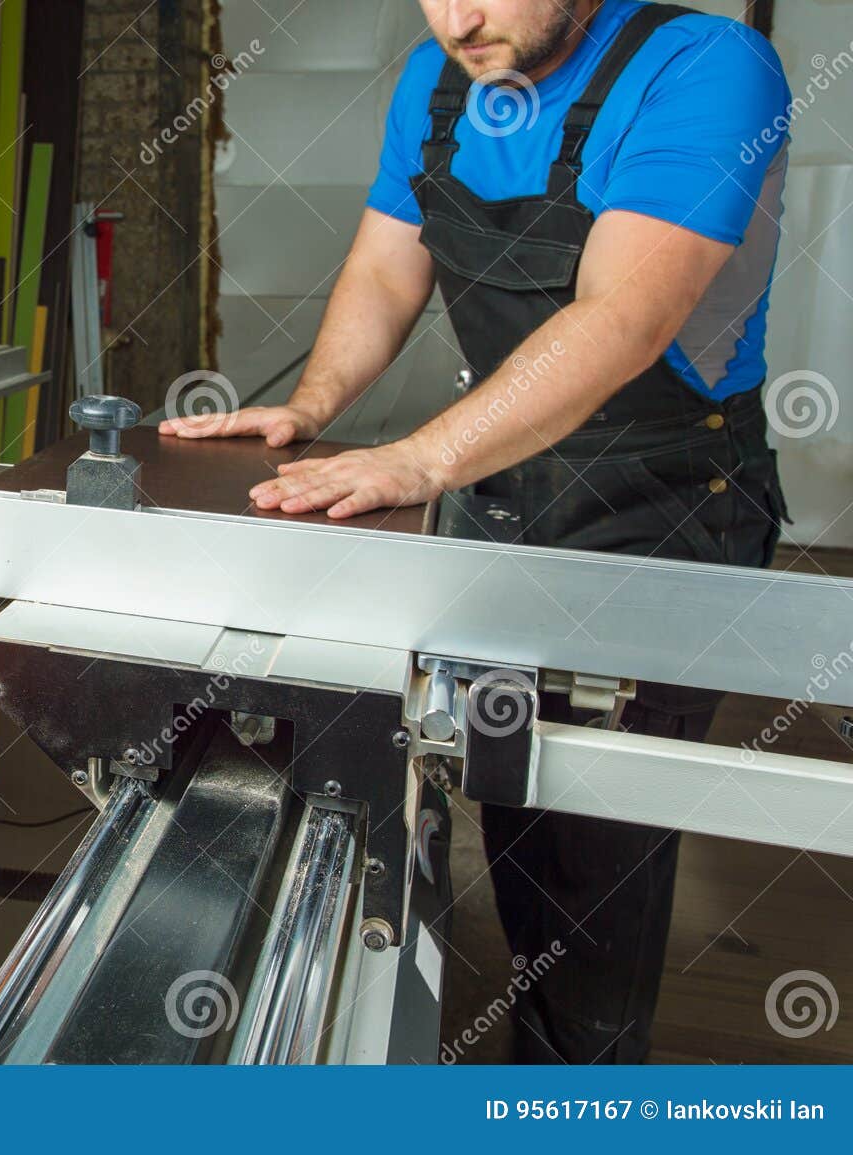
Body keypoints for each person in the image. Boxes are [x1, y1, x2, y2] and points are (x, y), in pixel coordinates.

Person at [161, 0, 793, 1063]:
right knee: (506, 791)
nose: (459, 15)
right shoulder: (438, 78)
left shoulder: (707, 69)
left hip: (661, 498)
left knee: (597, 848)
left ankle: (577, 1088)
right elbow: (384, 265)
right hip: (501, 491)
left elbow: (621, 320)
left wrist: (415, 458)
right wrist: (311, 408)